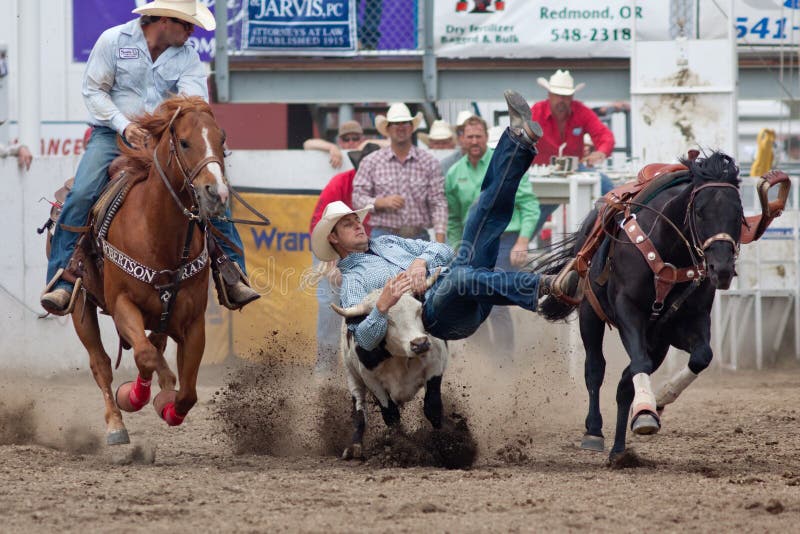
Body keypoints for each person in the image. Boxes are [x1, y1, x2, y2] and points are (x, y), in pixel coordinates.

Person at [310, 90, 579, 353]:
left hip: (456, 287)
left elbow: (444, 250)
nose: (358, 224)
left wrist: (421, 261)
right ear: (333, 238)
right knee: (463, 274)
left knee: (479, 213)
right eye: (348, 224)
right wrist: (382, 305)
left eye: (356, 220)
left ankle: (518, 140)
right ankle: (546, 286)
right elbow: (365, 341)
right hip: (436, 316)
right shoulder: (353, 281)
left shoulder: (387, 241)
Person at [40, 0, 259, 314]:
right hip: (111, 135)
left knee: (213, 192)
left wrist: (163, 132)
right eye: (186, 23)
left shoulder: (187, 56)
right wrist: (125, 126)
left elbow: (194, 105)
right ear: (164, 20)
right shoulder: (114, 41)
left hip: (164, 141)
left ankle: (232, 273)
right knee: (82, 194)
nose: (191, 30)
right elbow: (94, 92)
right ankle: (62, 279)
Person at [446, 119, 540, 357]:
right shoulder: (454, 174)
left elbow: (529, 205)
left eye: (479, 136)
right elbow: (454, 219)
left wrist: (523, 240)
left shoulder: (503, 165)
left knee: (495, 301)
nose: (475, 141)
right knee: (468, 299)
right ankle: (485, 358)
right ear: (462, 139)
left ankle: (504, 359)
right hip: (471, 244)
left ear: (486, 137)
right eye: (470, 136)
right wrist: (456, 249)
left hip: (504, 239)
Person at [309, 143, 381, 376]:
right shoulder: (341, 183)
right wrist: (332, 262)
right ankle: (325, 368)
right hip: (332, 246)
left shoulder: (382, 188)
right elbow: (321, 225)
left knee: (372, 306)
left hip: (367, 250)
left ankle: (368, 368)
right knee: (330, 303)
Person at [530, 69, 616, 239]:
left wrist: (600, 152)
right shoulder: (536, 112)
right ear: (549, 94)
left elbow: (605, 136)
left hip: (574, 169)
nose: (561, 100)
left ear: (572, 97)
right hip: (543, 172)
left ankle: (611, 232)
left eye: (566, 96)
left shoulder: (581, 111)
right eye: (557, 95)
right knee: (532, 216)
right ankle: (517, 248)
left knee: (607, 187)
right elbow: (521, 138)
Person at [352, 102, 448, 243]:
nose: (401, 127)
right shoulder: (371, 162)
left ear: (412, 128)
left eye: (405, 123)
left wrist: (439, 243)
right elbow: (357, 198)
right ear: (388, 129)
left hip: (418, 236)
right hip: (383, 236)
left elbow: (438, 202)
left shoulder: (429, 162)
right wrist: (380, 202)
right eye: (396, 123)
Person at [303, 120, 388, 169]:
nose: (351, 142)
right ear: (340, 141)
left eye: (355, 138)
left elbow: (390, 144)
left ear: (362, 139)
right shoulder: (337, 151)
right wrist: (331, 147)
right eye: (346, 139)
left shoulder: (369, 149)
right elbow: (307, 144)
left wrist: (367, 143)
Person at [439, 110, 473, 176]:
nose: (466, 135)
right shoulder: (446, 164)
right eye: (461, 132)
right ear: (458, 137)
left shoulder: (491, 161)